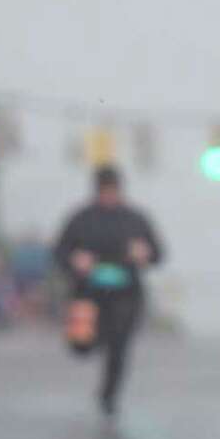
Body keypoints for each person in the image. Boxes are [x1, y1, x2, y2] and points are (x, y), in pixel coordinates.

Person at [53, 164, 165, 417]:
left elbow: (158, 254)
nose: (109, 196)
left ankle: (109, 395)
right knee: (81, 344)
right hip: (88, 293)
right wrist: (75, 260)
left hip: (125, 295)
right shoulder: (80, 219)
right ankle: (94, 342)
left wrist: (145, 254)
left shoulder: (136, 220)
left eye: (113, 191)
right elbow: (59, 252)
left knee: (119, 345)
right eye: (105, 191)